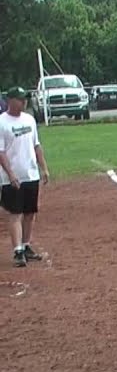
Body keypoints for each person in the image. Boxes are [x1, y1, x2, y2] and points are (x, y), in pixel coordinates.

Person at [0, 87, 50, 267]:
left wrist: (43, 168)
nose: (24, 102)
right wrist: (11, 174)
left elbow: (36, 145)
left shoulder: (29, 119)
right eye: (21, 99)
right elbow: (1, 152)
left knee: (30, 211)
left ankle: (26, 245)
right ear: (10, 100)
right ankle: (18, 251)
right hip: (12, 177)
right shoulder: (2, 122)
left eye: (25, 99)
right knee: (15, 213)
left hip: (31, 174)